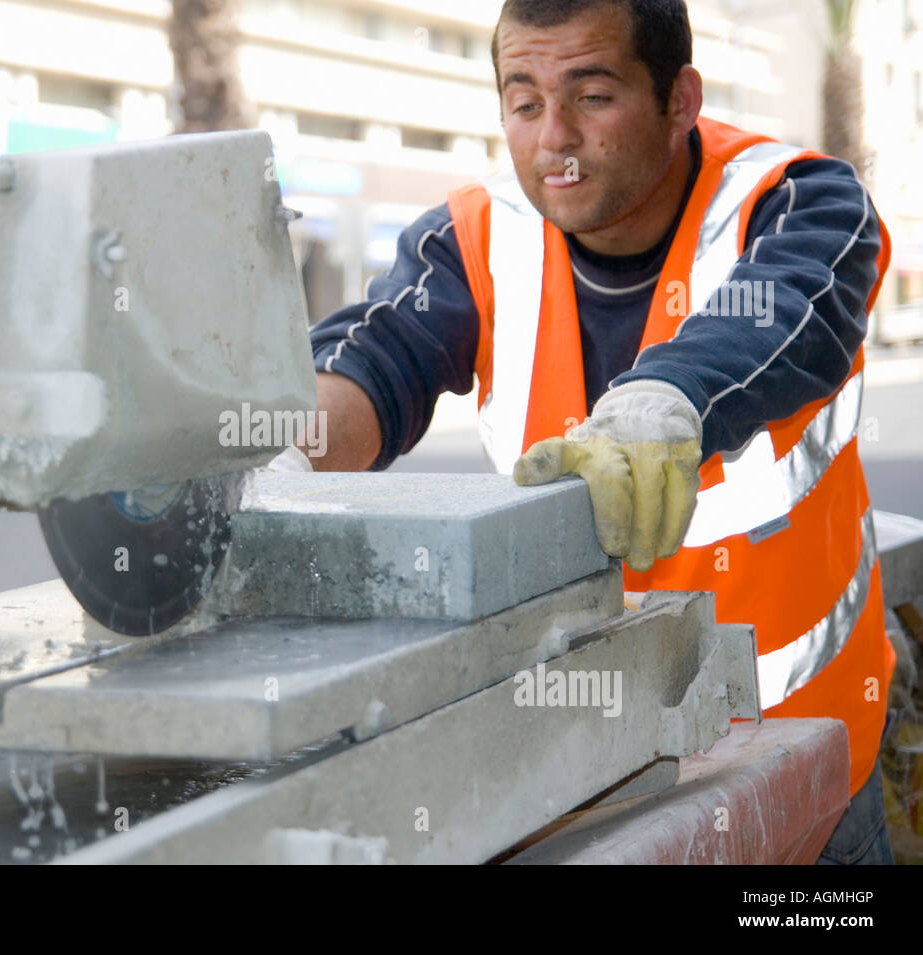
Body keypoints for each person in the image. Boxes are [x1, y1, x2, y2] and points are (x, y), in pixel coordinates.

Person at [299, 0, 896, 864]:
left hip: (811, 787)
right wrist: (278, 453)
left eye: (593, 95)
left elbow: (785, 310)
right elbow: (374, 364)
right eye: (525, 100)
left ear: (680, 98)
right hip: (599, 790)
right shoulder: (475, 240)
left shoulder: (797, 202)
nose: (554, 140)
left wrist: (665, 398)